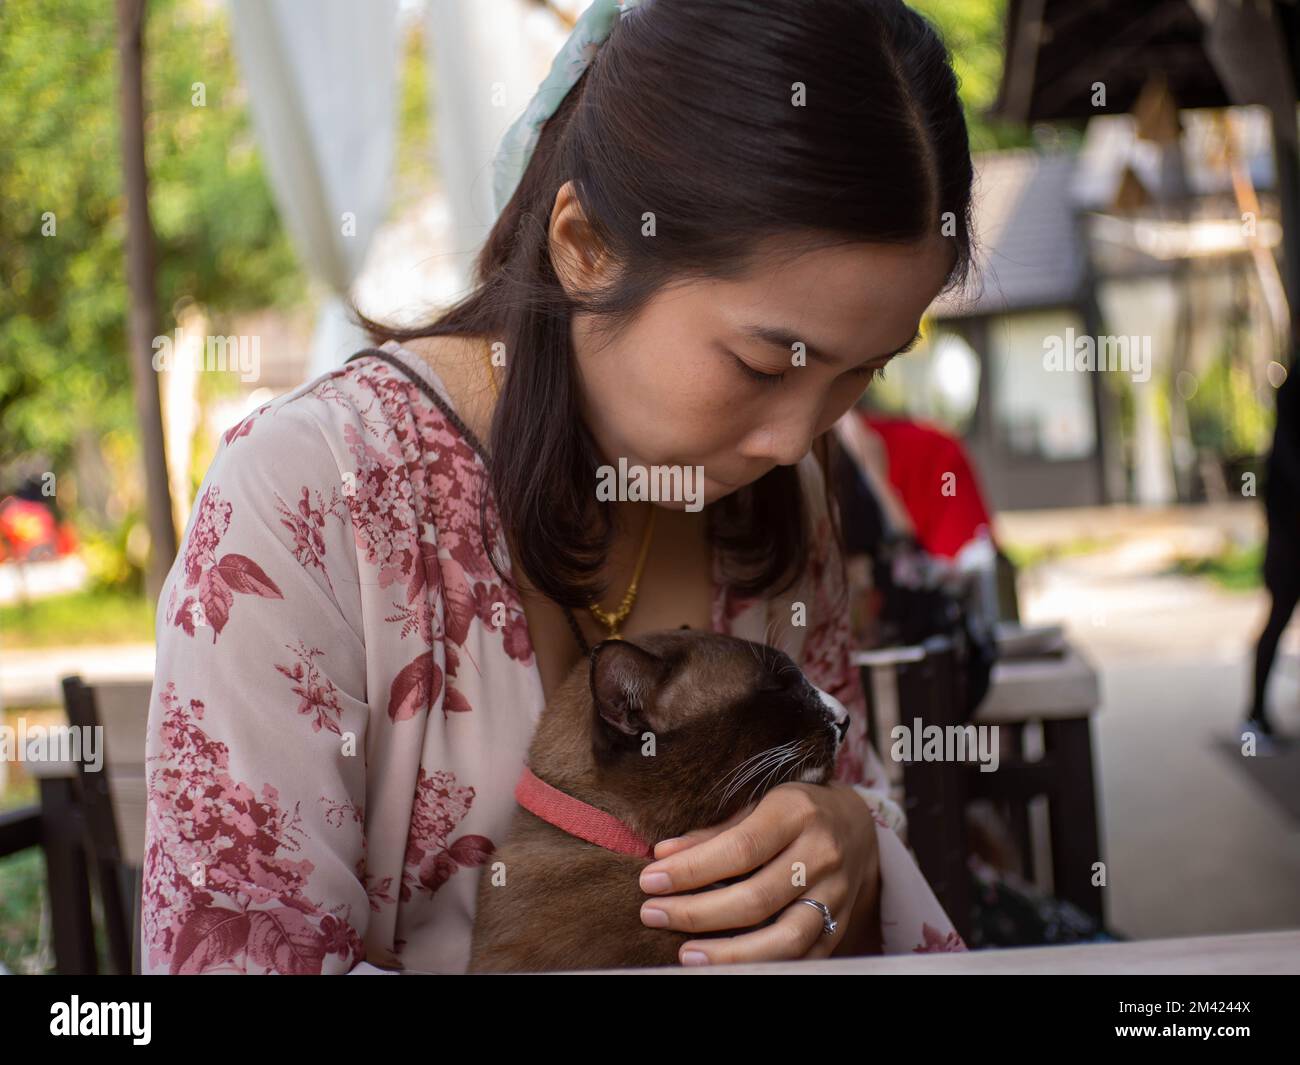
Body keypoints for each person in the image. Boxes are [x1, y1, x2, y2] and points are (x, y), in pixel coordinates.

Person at [141, 0, 976, 974]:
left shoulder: (777, 502)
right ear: (583, 245)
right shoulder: (312, 496)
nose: (799, 438)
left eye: (861, 370)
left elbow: (852, 792)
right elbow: (232, 958)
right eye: (761, 363)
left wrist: (852, 849)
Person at [1246, 346, 1300, 746]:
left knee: (1277, 619)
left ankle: (1255, 714)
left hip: (1285, 532)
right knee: (1278, 617)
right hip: (1289, 535)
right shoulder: (1293, 391)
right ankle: (1255, 714)